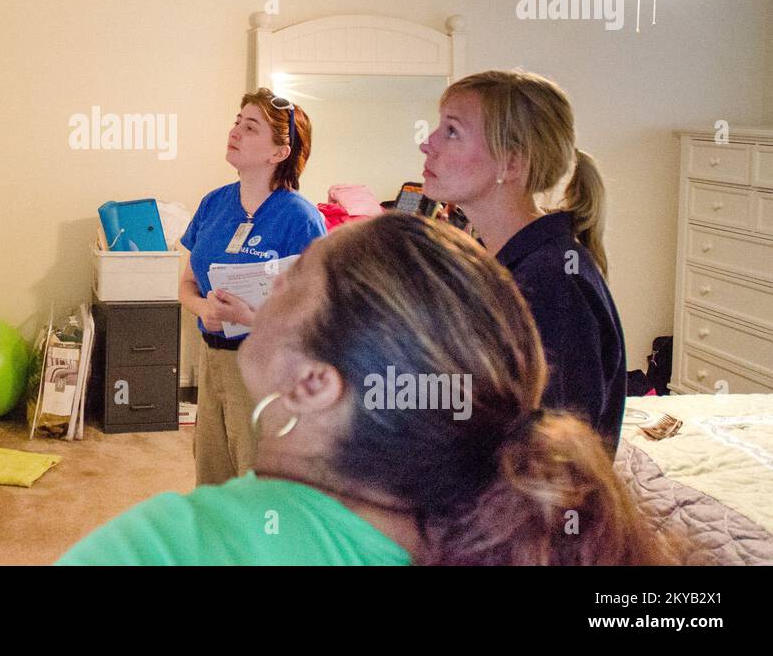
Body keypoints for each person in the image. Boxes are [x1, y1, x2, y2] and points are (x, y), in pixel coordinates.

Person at [59, 213, 676, 565]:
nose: (270, 288)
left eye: (294, 280)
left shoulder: (173, 546)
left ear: (314, 384)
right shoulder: (477, 533)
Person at [419, 69, 626, 447]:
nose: (427, 144)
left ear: (510, 164)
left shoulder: (553, 283)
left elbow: (557, 458)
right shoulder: (495, 259)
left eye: (452, 131)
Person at [178, 89, 326, 486]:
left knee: (256, 481)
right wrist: (202, 309)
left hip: (264, 369)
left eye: (250, 126)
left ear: (279, 152)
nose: (235, 131)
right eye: (237, 121)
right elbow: (187, 285)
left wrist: (250, 317)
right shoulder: (213, 204)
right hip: (211, 362)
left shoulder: (301, 219)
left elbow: (316, 315)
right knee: (212, 478)